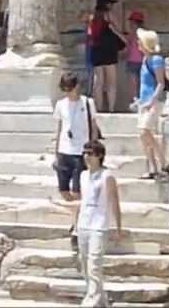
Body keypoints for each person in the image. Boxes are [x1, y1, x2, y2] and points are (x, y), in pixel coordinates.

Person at [49, 140, 122, 308]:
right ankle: (100, 299)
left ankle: (92, 300)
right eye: (85, 153)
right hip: (83, 224)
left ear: (100, 156)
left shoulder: (107, 176)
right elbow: (83, 202)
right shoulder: (83, 176)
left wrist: (118, 227)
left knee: (94, 263)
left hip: (99, 225)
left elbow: (114, 202)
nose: (86, 157)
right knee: (84, 263)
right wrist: (61, 204)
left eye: (90, 153)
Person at [52, 72, 98, 239]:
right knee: (64, 190)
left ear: (76, 87)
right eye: (65, 89)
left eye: (70, 89)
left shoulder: (87, 103)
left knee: (77, 190)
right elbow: (59, 128)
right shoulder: (60, 104)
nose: (68, 92)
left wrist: (93, 151)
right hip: (64, 150)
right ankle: (80, 213)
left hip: (81, 151)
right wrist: (55, 152)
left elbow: (93, 127)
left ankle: (76, 223)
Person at [135, 29, 169, 179]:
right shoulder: (145, 59)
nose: (137, 42)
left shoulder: (157, 60)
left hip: (154, 101)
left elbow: (161, 83)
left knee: (145, 130)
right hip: (144, 101)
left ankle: (164, 161)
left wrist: (151, 101)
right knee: (143, 135)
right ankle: (152, 167)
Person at [87, 0, 127, 113]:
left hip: (96, 49)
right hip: (109, 50)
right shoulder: (109, 15)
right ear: (107, 4)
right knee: (111, 81)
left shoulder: (92, 16)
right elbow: (118, 30)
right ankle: (111, 108)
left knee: (98, 80)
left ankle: (98, 108)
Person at [123, 10, 147, 109]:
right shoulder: (144, 34)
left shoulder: (133, 34)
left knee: (133, 84)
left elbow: (127, 46)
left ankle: (135, 101)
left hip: (133, 61)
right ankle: (138, 101)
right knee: (141, 83)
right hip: (140, 61)